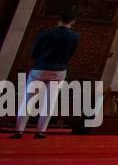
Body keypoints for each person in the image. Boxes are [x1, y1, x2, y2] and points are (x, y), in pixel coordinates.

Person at [10, 11, 79, 139]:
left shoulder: (46, 34)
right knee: (50, 101)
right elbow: (71, 54)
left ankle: (19, 130)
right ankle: (41, 131)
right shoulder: (75, 36)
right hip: (59, 70)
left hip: (40, 68)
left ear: (58, 20)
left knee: (28, 100)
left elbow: (34, 53)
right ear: (73, 21)